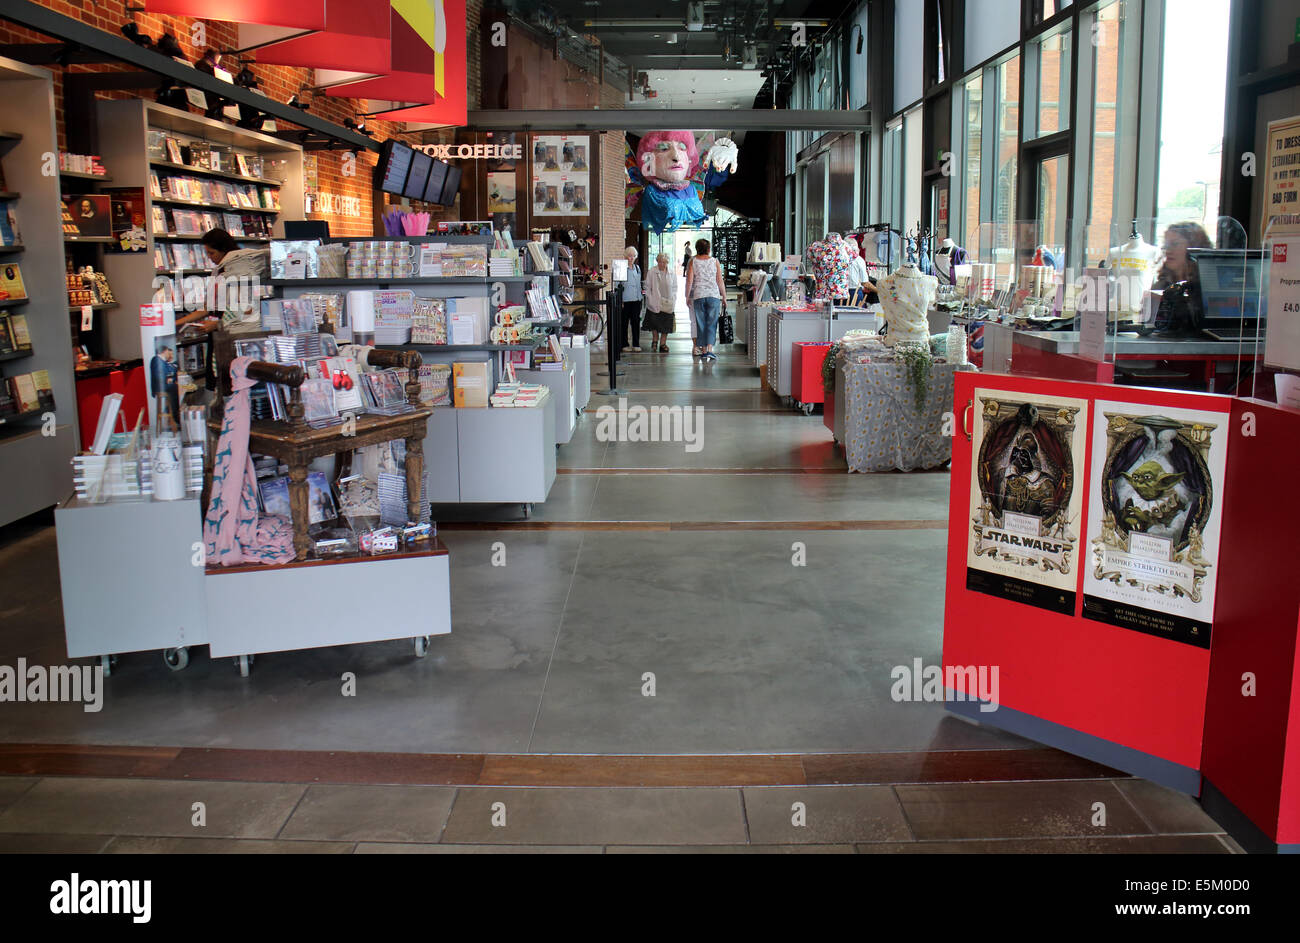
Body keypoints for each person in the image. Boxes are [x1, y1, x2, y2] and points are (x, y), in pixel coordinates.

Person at [685, 238, 726, 361]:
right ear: (709, 249)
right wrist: (724, 296)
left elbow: (689, 281)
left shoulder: (693, 261)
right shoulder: (715, 261)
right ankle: (709, 349)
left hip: (698, 296)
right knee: (711, 323)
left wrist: (687, 296)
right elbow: (719, 280)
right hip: (713, 296)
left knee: (701, 323)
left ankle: (703, 350)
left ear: (697, 248)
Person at [1153, 222, 1213, 290]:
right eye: (1166, 245)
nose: (1168, 251)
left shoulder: (1207, 287)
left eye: (1175, 244)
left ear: (1193, 247)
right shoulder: (1161, 286)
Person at [201, 228, 270, 282]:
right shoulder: (219, 270)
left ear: (223, 250)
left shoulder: (240, 266)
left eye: (211, 253)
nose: (209, 257)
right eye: (207, 253)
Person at [642, 252, 678, 353]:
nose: (662, 264)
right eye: (660, 262)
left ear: (667, 263)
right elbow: (647, 286)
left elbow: (675, 287)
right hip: (655, 301)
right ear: (657, 261)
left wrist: (673, 298)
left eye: (664, 262)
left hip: (667, 301)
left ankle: (663, 343)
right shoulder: (652, 271)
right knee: (654, 323)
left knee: (666, 325)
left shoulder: (672, 272)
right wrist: (649, 297)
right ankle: (655, 339)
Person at [149, 340, 180, 431]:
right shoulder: (156, 360)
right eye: (168, 352)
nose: (169, 355)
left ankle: (171, 413)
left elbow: (169, 372)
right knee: (175, 389)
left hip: (164, 384)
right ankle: (173, 416)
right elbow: (159, 376)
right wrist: (170, 379)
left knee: (175, 387)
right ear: (164, 351)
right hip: (160, 387)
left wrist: (171, 377)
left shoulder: (162, 361)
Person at [620, 246, 643, 352]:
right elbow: (617, 285)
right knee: (624, 323)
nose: (631, 258)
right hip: (626, 300)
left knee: (636, 322)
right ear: (625, 257)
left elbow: (638, 284)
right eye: (629, 256)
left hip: (636, 299)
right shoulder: (622, 269)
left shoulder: (637, 268)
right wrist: (620, 301)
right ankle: (624, 344)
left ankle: (636, 344)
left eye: (633, 256)